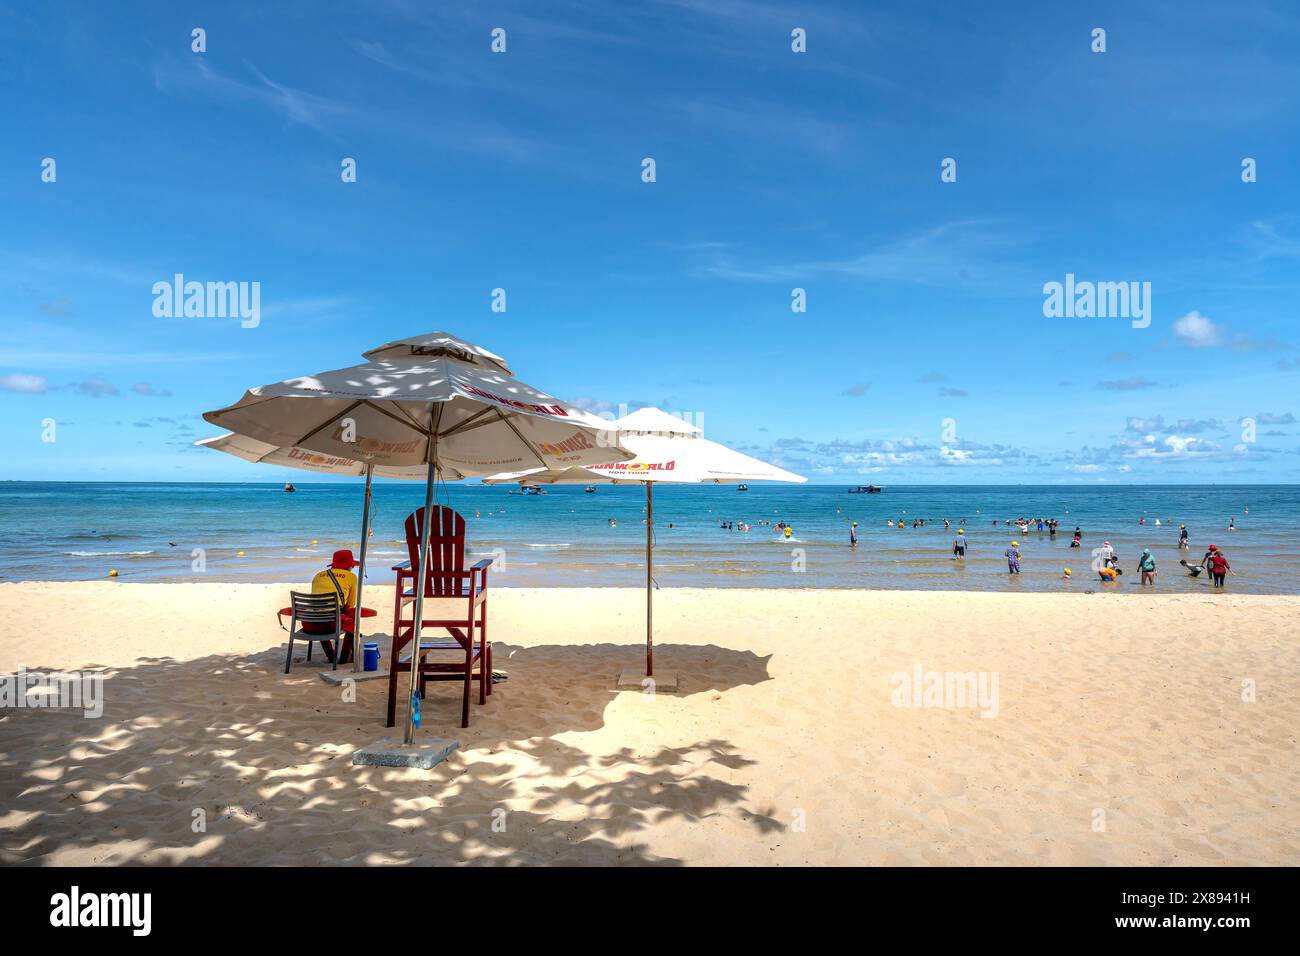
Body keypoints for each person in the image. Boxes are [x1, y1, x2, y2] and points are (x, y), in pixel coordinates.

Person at [306, 549, 360, 664]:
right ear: (349, 565)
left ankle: (331, 657)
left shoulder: (318, 575)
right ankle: (344, 658)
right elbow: (351, 604)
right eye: (352, 566)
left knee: (321, 613)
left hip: (309, 623)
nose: (353, 568)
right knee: (354, 621)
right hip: (331, 624)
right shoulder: (351, 577)